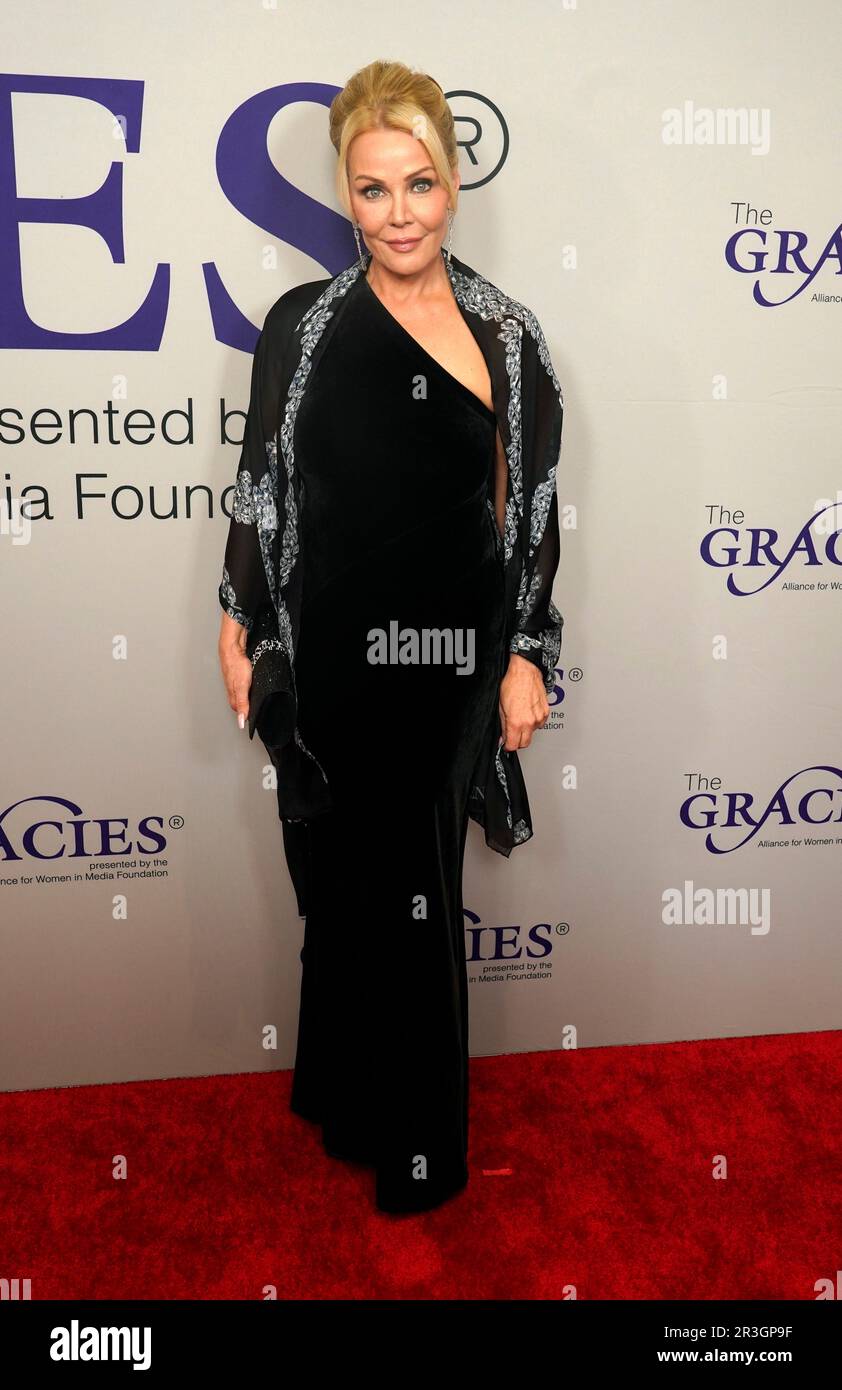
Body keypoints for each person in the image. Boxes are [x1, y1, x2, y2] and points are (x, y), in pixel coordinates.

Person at [217, 59, 564, 1213]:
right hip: (328, 663)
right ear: (345, 195)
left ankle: (417, 1153)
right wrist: (238, 617)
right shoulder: (300, 328)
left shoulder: (506, 337)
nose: (398, 213)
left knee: (414, 903)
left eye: (418, 184)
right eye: (372, 190)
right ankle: (347, 1100)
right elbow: (261, 483)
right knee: (340, 891)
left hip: (444, 666)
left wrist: (526, 651)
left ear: (453, 184)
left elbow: (535, 508)